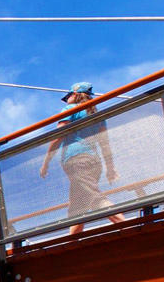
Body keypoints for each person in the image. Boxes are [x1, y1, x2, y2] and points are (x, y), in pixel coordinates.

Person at [39, 82, 126, 235]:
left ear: (74, 95)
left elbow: (58, 136)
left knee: (94, 197)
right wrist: (110, 169)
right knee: (78, 207)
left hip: (76, 160)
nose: (66, 101)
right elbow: (104, 144)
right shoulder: (96, 114)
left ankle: (127, 225)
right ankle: (71, 241)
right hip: (94, 162)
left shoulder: (71, 110)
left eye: (67, 97)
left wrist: (46, 163)